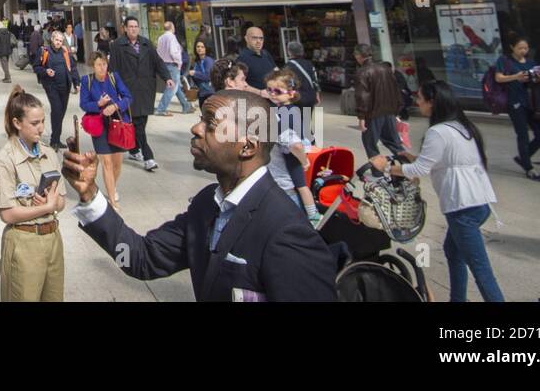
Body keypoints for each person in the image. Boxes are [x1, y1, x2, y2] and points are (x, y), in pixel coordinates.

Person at [63, 89, 337, 301]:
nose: (196, 129)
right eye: (199, 120)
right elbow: (139, 259)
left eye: (211, 124)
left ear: (247, 147)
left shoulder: (287, 233)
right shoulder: (208, 205)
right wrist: (90, 194)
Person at [371, 81, 503, 302]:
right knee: (452, 251)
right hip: (479, 203)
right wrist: (409, 157)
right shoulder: (461, 126)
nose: (417, 102)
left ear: (432, 102)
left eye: (420, 99)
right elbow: (439, 161)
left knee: (481, 270)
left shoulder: (438, 131)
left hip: (463, 207)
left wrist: (384, 166)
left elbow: (420, 169)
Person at [0, 85, 67, 301]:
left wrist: (53, 202)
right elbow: (7, 214)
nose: (41, 128)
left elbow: (61, 200)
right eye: (34, 123)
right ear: (17, 123)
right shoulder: (5, 160)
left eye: (43, 121)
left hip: (53, 241)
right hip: (24, 244)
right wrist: (45, 207)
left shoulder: (49, 153)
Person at [105, 16, 167, 171]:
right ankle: (148, 157)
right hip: (128, 90)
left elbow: (157, 61)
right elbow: (112, 69)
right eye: (130, 26)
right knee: (138, 123)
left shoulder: (146, 43)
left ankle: (133, 149)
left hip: (146, 89)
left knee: (141, 121)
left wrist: (167, 77)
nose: (133, 29)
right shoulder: (117, 46)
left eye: (135, 26)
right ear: (125, 28)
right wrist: (113, 90)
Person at [264, 69, 320, 225]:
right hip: (290, 152)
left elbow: (296, 145)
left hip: (291, 154)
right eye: (269, 90)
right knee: (301, 185)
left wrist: (304, 161)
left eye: (277, 91)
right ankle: (312, 213)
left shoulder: (283, 112)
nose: (272, 94)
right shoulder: (289, 110)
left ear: (291, 93)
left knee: (301, 185)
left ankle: (313, 214)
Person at [78, 53, 131, 209]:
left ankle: (112, 187)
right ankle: (112, 201)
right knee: (106, 163)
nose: (102, 68)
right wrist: (98, 104)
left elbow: (128, 97)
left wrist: (115, 106)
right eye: (99, 65)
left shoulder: (114, 78)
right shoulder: (86, 81)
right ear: (92, 66)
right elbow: (84, 104)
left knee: (117, 164)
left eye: (104, 64)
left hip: (117, 123)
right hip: (99, 126)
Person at [494, 37, 540, 181]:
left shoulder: (531, 62)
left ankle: (523, 157)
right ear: (512, 47)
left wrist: (536, 77)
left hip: (533, 102)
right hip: (515, 102)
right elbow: (499, 78)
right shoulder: (504, 61)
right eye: (520, 48)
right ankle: (528, 167)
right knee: (523, 135)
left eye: (526, 48)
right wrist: (515, 77)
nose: (524, 51)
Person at [33, 29, 78, 150]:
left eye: (60, 40)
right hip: (52, 87)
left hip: (65, 87)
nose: (58, 42)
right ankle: (54, 141)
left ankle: (57, 138)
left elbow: (72, 68)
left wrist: (76, 82)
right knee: (57, 110)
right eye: (56, 40)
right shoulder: (44, 51)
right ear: (52, 39)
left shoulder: (65, 52)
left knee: (61, 112)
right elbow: (36, 67)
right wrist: (45, 71)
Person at [355, 59, 405, 159]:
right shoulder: (386, 70)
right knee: (394, 142)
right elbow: (395, 90)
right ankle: (408, 167)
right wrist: (397, 110)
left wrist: (361, 116)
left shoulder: (363, 71)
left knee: (370, 144)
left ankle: (377, 171)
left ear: (358, 56)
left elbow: (362, 95)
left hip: (373, 113)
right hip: (389, 111)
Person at [283, 40, 320, 142]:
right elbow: (315, 80)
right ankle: (311, 145)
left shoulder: (288, 66)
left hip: (298, 99)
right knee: (306, 122)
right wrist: (317, 94)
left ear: (289, 52)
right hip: (310, 98)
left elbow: (289, 85)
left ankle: (306, 146)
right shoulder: (309, 64)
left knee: (298, 124)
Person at [155, 21, 192, 116]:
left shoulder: (160, 38)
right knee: (172, 87)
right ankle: (161, 109)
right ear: (172, 27)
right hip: (172, 65)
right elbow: (173, 52)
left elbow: (158, 52)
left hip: (163, 65)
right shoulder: (172, 37)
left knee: (176, 87)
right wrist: (179, 62)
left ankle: (186, 106)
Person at [239, 26, 276, 90]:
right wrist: (260, 93)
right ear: (246, 39)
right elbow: (239, 84)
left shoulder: (266, 53)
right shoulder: (242, 58)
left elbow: (276, 71)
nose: (259, 41)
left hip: (273, 96)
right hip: (254, 98)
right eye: (254, 38)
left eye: (261, 38)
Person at [190, 40, 215, 110]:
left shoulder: (208, 60)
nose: (199, 48)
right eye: (198, 47)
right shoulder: (196, 61)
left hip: (210, 92)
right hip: (202, 92)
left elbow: (208, 76)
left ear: (206, 48)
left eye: (202, 47)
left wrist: (195, 73)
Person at [0, 19, 15, 84]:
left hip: (1, 51)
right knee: (6, 64)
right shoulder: (7, 32)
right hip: (7, 50)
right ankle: (6, 77)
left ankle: (8, 78)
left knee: (4, 65)